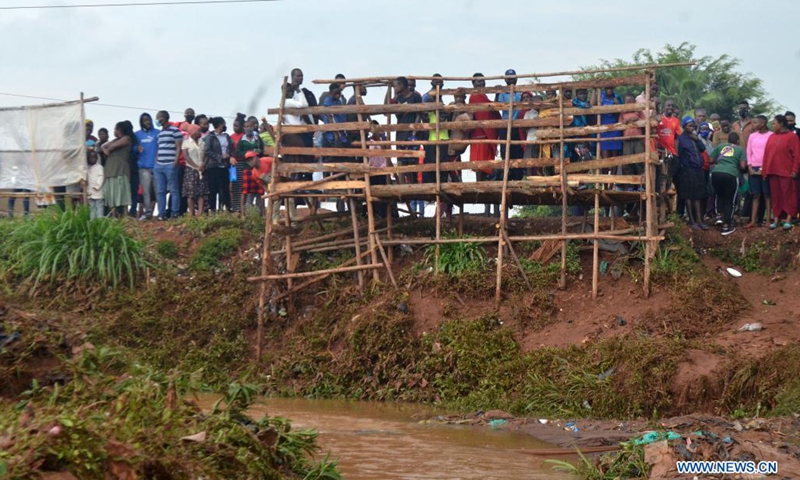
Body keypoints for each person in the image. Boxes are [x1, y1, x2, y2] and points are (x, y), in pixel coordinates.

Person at [469, 73, 501, 217]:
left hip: (486, 138)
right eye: (478, 82)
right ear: (473, 84)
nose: (480, 84)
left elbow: (492, 110)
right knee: (481, 170)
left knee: (490, 171)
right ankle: (486, 208)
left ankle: (491, 210)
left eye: (482, 82)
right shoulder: (474, 97)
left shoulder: (484, 97)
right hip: (479, 137)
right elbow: (488, 111)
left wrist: (497, 96)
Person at [763, 115, 800, 229]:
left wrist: (795, 169)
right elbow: (766, 154)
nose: (772, 125)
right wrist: (765, 170)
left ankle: (789, 219)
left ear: (781, 124)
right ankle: (776, 219)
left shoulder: (792, 137)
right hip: (773, 171)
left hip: (786, 171)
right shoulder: (771, 136)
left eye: (774, 123)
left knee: (789, 196)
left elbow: (797, 155)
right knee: (775, 196)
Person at [709, 132, 747, 235]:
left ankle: (719, 216)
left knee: (719, 195)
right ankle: (726, 226)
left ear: (728, 140)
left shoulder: (720, 146)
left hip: (716, 173)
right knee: (730, 200)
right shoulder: (740, 149)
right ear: (737, 141)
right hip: (731, 175)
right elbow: (743, 166)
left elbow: (710, 160)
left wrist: (721, 163)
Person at [676, 116, 708, 230]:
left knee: (698, 196)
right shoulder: (681, 139)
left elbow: (703, 148)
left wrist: (697, 139)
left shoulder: (695, 137)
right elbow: (678, 155)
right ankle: (692, 220)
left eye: (693, 126)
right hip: (687, 170)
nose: (691, 128)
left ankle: (699, 220)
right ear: (684, 127)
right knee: (688, 196)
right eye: (689, 126)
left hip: (698, 169)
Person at [101, 121, 134, 217]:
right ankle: (114, 215)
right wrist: (106, 149)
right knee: (112, 193)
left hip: (120, 169)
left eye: (115, 129)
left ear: (120, 130)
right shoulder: (115, 139)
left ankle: (125, 215)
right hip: (111, 169)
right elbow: (103, 146)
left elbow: (111, 147)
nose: (114, 131)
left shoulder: (127, 138)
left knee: (123, 191)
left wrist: (108, 149)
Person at [495, 69, 524, 178]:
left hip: (518, 125)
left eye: (512, 78)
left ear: (516, 79)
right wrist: (497, 92)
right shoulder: (502, 92)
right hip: (505, 124)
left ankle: (518, 175)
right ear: (505, 80)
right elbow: (496, 105)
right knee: (505, 150)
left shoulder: (521, 92)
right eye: (509, 78)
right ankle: (508, 174)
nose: (511, 80)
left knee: (518, 150)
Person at [153, 111, 182, 220]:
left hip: (170, 164)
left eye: (158, 118)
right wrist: (156, 161)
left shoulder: (175, 131)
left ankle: (174, 213)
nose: (157, 120)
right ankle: (161, 214)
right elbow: (159, 147)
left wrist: (175, 162)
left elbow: (178, 147)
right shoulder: (160, 133)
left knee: (174, 190)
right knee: (160, 191)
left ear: (164, 118)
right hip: (159, 165)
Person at [746, 115, 773, 228]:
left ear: (763, 124)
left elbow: (771, 153)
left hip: (766, 168)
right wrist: (750, 167)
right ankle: (753, 220)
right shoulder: (752, 136)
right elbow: (749, 152)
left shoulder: (771, 135)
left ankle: (768, 220)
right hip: (754, 167)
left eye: (755, 122)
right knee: (755, 194)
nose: (753, 125)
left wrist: (764, 168)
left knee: (767, 195)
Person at [236, 117, 265, 216]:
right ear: (244, 128)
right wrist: (247, 153)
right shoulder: (242, 140)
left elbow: (262, 149)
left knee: (260, 190)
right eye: (247, 126)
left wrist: (258, 151)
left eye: (250, 126)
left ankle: (262, 213)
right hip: (246, 168)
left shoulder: (257, 138)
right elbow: (238, 153)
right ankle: (243, 214)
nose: (249, 128)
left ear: (253, 127)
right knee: (245, 191)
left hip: (257, 168)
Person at [204, 117, 234, 212]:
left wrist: (230, 155)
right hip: (214, 166)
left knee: (225, 188)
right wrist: (220, 157)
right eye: (224, 124)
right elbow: (207, 150)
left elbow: (231, 148)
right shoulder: (210, 137)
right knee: (213, 189)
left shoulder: (226, 136)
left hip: (225, 166)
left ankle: (226, 208)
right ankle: (212, 209)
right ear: (220, 125)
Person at [134, 113, 158, 220]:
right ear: (141, 123)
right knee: (146, 192)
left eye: (148, 120)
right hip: (143, 167)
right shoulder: (137, 135)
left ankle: (161, 213)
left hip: (157, 167)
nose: (147, 122)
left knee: (158, 191)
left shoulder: (157, 133)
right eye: (144, 120)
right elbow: (132, 148)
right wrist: (137, 148)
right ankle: (148, 213)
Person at [181, 123, 208, 217]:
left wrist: (203, 165)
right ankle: (191, 213)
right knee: (191, 193)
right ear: (194, 132)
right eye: (198, 131)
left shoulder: (202, 142)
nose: (200, 133)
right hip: (191, 170)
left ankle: (200, 212)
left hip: (202, 170)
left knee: (201, 192)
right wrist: (196, 167)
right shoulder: (186, 143)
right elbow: (186, 156)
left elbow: (206, 155)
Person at [620, 93, 644, 173]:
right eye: (627, 102)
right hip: (627, 140)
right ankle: (629, 179)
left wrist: (637, 119)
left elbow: (645, 121)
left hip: (638, 139)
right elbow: (619, 124)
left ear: (635, 102)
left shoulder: (638, 111)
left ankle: (641, 178)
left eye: (631, 102)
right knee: (628, 160)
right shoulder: (623, 112)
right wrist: (624, 122)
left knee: (639, 159)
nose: (630, 104)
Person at [228, 113, 247, 214]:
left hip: (243, 163)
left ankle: (242, 208)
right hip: (233, 165)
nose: (234, 128)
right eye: (233, 125)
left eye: (237, 126)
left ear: (242, 126)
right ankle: (234, 207)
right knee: (233, 185)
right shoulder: (231, 137)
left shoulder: (245, 136)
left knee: (242, 186)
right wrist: (230, 157)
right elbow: (229, 150)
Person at [599, 86, 623, 158]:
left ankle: (614, 166)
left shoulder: (617, 97)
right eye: (607, 88)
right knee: (605, 155)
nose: (609, 90)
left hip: (615, 128)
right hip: (603, 128)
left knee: (614, 156)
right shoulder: (601, 97)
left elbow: (620, 114)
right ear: (604, 89)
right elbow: (592, 105)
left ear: (613, 89)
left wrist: (617, 105)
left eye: (611, 88)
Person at [86, 150, 105, 220]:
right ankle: (92, 221)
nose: (92, 159)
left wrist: (97, 186)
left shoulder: (99, 167)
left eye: (94, 157)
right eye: (90, 158)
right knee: (92, 208)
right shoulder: (88, 167)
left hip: (98, 191)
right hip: (90, 192)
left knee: (99, 207)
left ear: (97, 158)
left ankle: (100, 222)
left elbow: (101, 177)